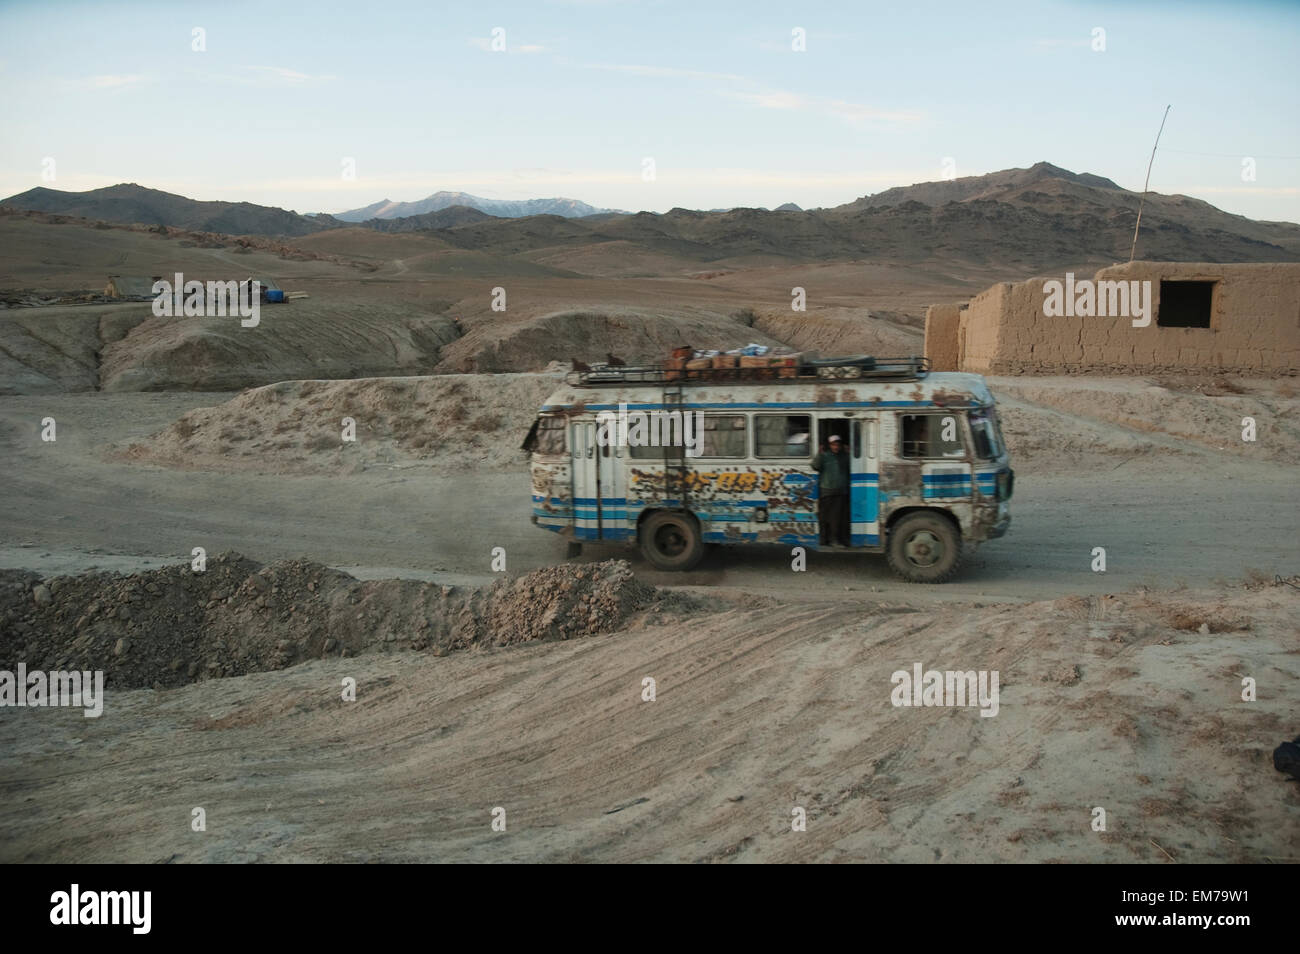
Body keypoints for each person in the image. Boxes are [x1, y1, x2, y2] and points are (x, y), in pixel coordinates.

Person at [812, 434, 850, 547]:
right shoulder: (824, 456)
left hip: (840, 491)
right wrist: (819, 454)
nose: (836, 447)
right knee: (824, 518)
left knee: (837, 519)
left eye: (838, 444)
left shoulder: (844, 457)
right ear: (829, 445)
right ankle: (823, 540)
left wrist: (849, 452)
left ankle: (835, 540)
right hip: (826, 491)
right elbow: (815, 466)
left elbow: (851, 466)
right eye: (834, 444)